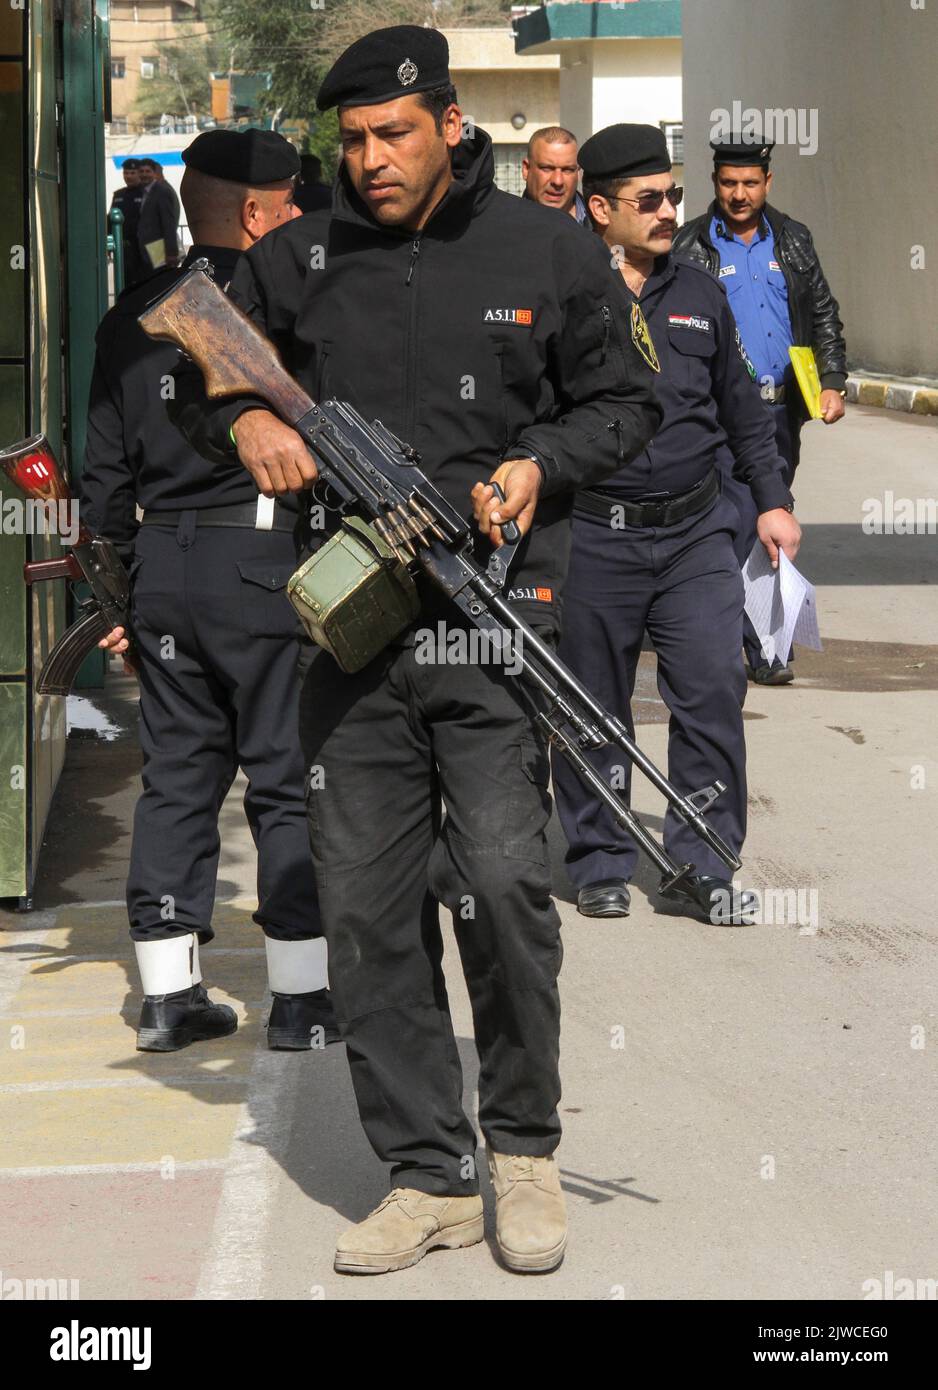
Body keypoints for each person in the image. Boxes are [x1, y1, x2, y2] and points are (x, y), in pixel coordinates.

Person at [171, 27, 661, 1275]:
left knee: (504, 884)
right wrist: (246, 428)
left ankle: (523, 1149)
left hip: (493, 629)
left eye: (392, 134)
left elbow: (623, 404)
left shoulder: (549, 251)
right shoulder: (300, 255)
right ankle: (425, 1172)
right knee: (367, 913)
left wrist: (531, 465)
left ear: (449, 124)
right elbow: (196, 365)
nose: (371, 160)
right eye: (351, 141)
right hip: (351, 643)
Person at [82, 129, 338, 1054]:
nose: (304, 216)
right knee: (285, 776)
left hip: (165, 572)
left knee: (178, 781)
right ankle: (303, 998)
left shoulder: (136, 312)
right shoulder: (294, 305)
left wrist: (117, 596)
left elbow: (102, 479)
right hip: (266, 568)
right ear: (261, 213)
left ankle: (167, 995)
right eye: (291, 203)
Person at [553, 123, 801, 925]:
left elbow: (744, 410)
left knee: (711, 690)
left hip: (696, 531)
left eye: (673, 196)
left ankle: (703, 864)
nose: (668, 212)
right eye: (648, 200)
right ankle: (599, 856)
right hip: (593, 534)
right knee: (593, 704)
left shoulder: (699, 293)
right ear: (600, 208)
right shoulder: (562, 295)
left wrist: (771, 500)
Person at [673, 134, 847, 684]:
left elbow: (822, 312)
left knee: (773, 516)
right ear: (715, 184)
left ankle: (761, 639)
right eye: (729, 183)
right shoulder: (692, 246)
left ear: (767, 183)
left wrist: (833, 381)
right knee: (745, 521)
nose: (740, 193)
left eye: (750, 183)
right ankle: (765, 649)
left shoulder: (792, 240)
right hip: (721, 415)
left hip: (781, 413)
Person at [521, 126, 587, 223]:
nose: (557, 181)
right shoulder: (503, 226)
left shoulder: (602, 222)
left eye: (567, 170)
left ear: (578, 172)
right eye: (547, 168)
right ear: (526, 169)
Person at [135, 158, 181, 273]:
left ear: (154, 173)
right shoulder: (140, 192)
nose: (144, 174)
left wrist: (171, 252)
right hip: (142, 250)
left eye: (147, 171)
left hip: (159, 249)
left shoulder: (163, 191)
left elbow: (169, 223)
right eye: (141, 171)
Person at [108, 158, 146, 288]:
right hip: (124, 248)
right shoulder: (119, 194)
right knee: (125, 284)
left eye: (132, 173)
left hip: (143, 248)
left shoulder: (147, 193)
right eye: (126, 173)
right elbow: (110, 218)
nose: (128, 176)